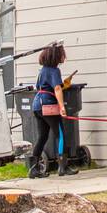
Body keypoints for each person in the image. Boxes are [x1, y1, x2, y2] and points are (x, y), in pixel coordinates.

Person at [29, 42, 72, 178]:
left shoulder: (42, 71)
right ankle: (63, 167)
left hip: (37, 105)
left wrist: (61, 84)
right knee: (61, 134)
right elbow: (57, 89)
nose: (64, 57)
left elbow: (43, 87)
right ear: (57, 56)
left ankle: (34, 169)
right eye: (62, 54)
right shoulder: (54, 71)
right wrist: (62, 107)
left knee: (43, 136)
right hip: (48, 105)